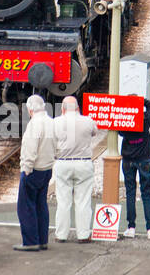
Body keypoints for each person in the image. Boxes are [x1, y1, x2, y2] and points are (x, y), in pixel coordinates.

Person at [51, 95, 99, 243]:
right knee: (83, 201)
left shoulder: (56, 122)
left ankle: (61, 235)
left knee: (63, 201)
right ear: (78, 108)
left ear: (63, 109)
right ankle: (83, 235)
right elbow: (94, 132)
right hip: (83, 163)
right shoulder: (88, 121)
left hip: (63, 163)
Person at [15, 95, 55, 251]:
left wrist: (26, 168)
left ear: (30, 109)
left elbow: (31, 148)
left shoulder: (34, 124)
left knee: (26, 206)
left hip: (34, 170)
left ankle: (31, 242)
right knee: (41, 204)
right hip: (47, 169)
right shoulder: (51, 122)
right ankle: (42, 239)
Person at [121, 96, 150, 239]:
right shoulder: (144, 119)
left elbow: (119, 132)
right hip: (144, 159)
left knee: (130, 192)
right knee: (146, 193)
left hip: (128, 159)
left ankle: (131, 227)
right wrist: (143, 100)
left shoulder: (124, 120)